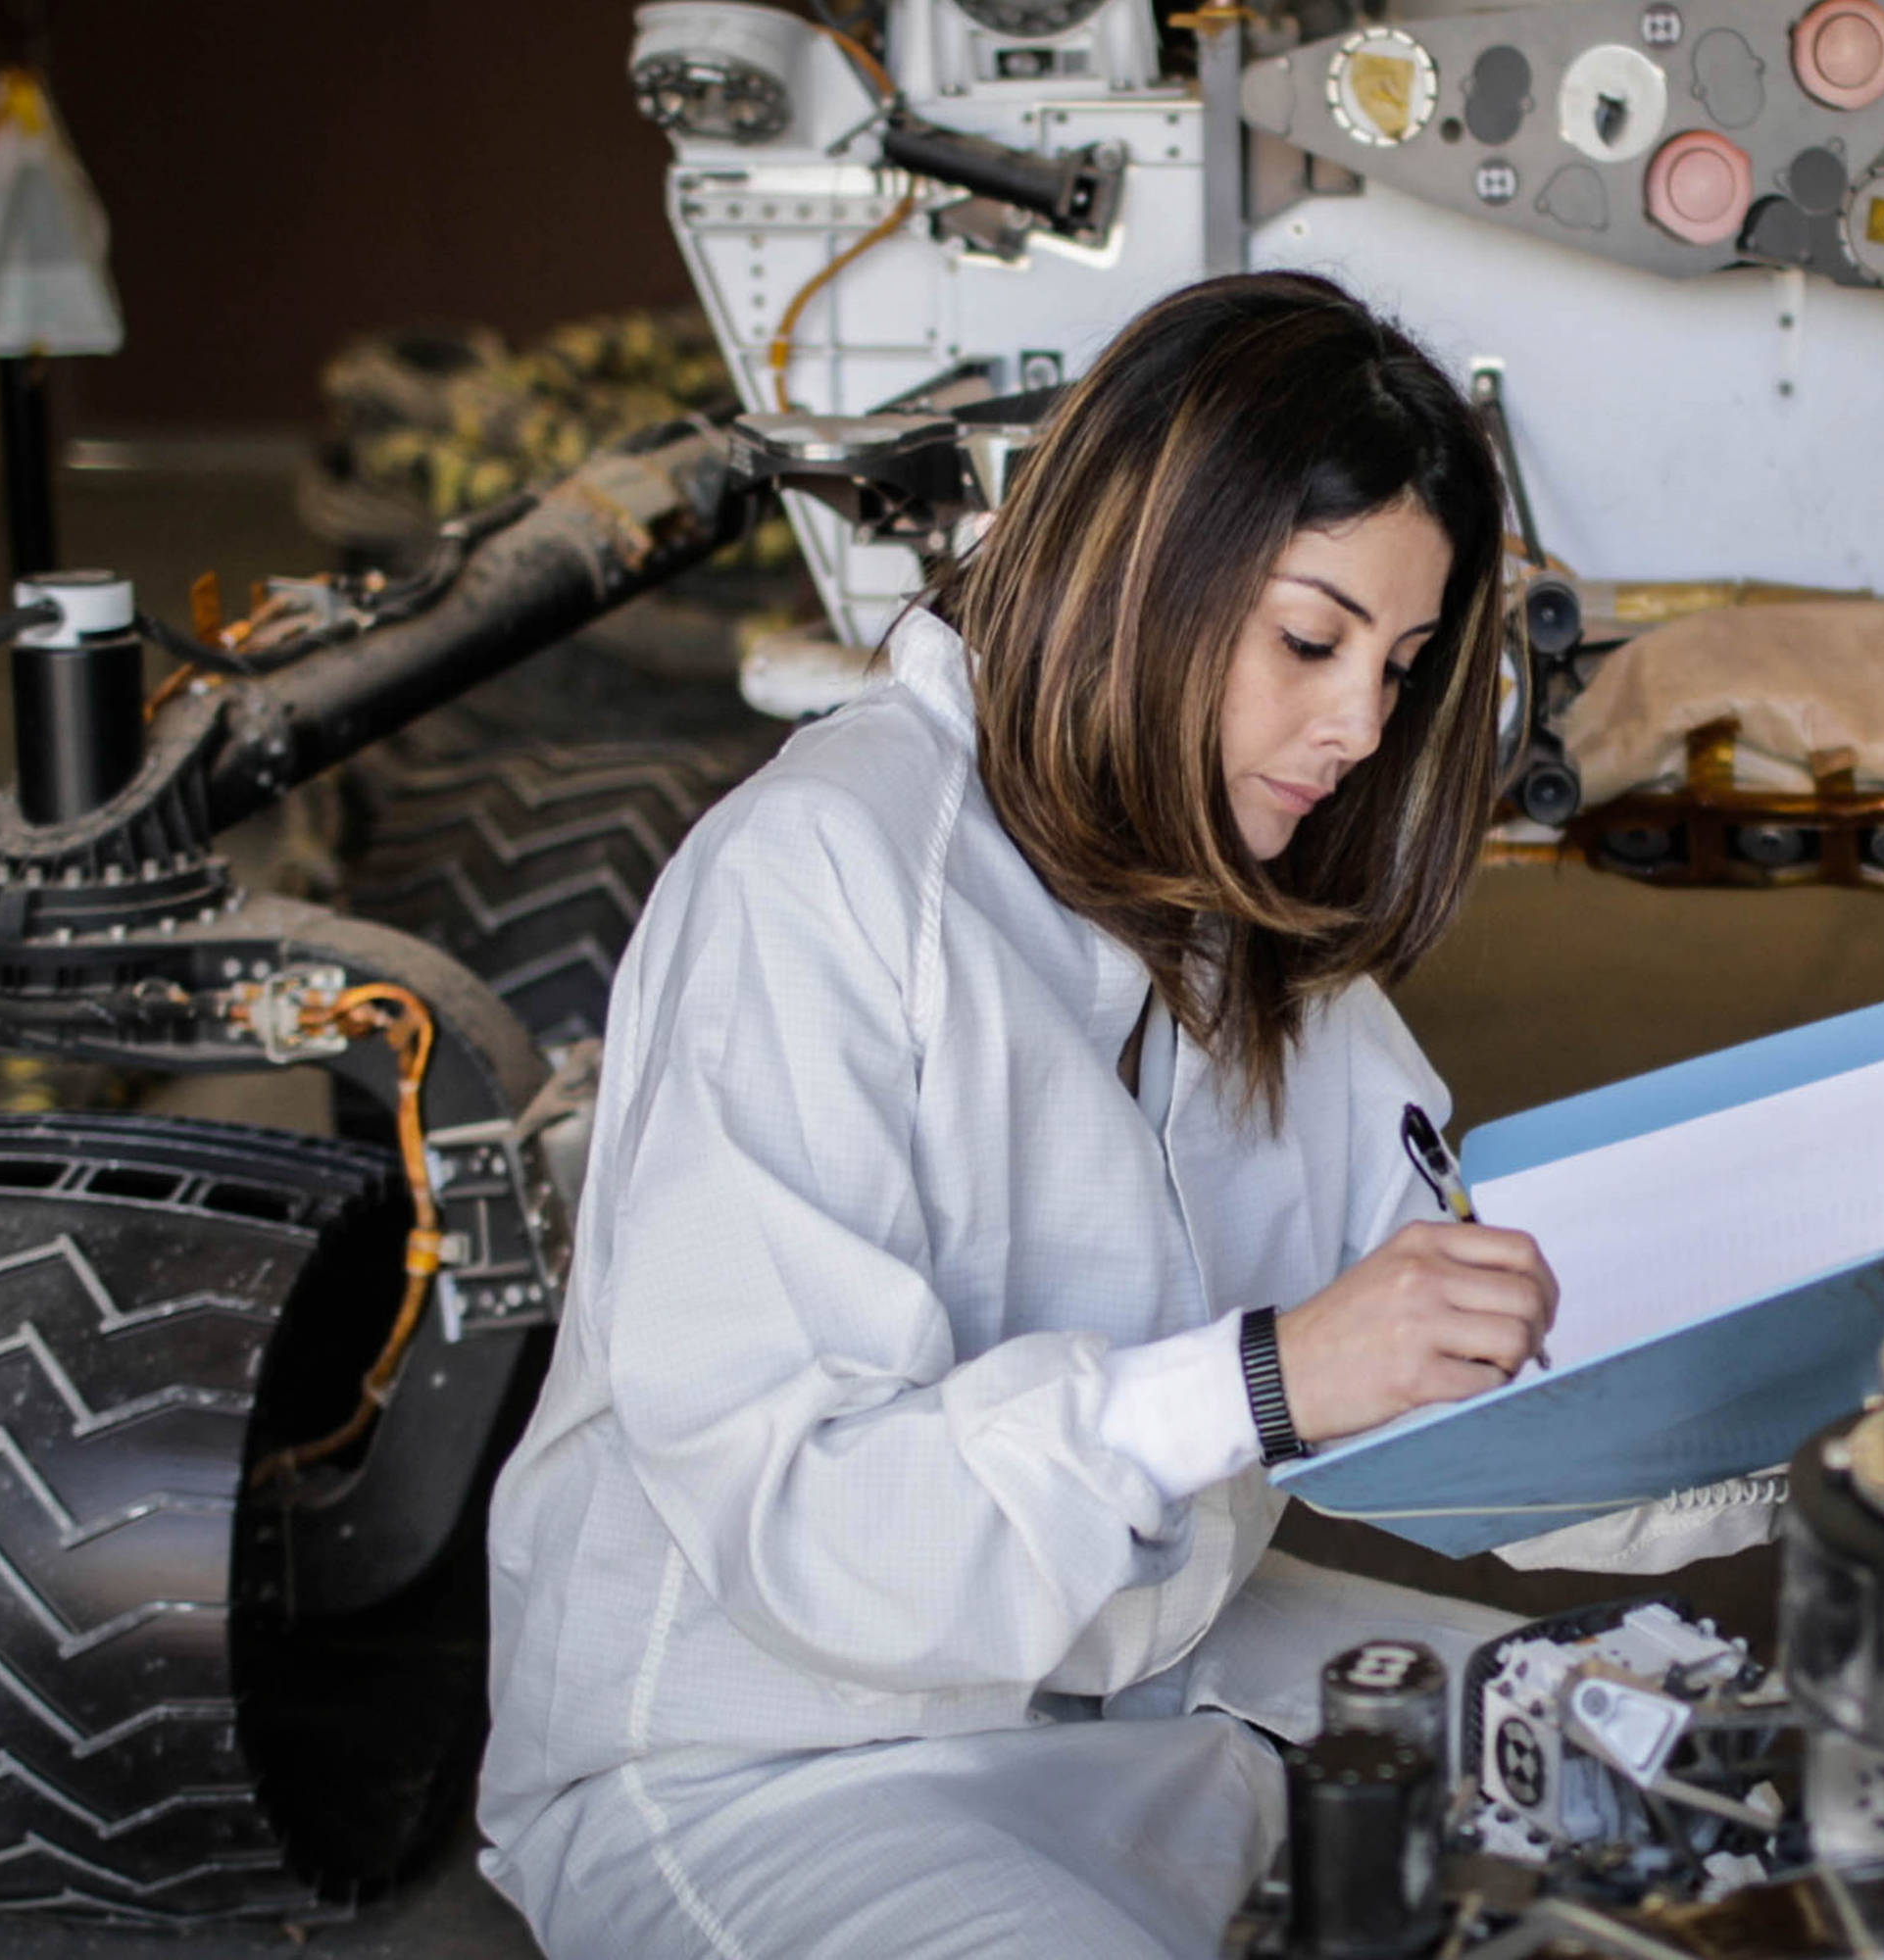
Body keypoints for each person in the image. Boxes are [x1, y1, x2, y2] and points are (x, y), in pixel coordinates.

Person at [476, 271, 1562, 1958]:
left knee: (1685, 1750)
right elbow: (811, 1526)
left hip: (1137, 1671)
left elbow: (1459, 1346)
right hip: (762, 1763)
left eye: (1403, 667)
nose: (1361, 728)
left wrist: (1826, 1391)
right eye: (1310, 640)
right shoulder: (818, 874)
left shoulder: (1239, 912)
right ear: (1142, 571)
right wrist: (1264, 1381)